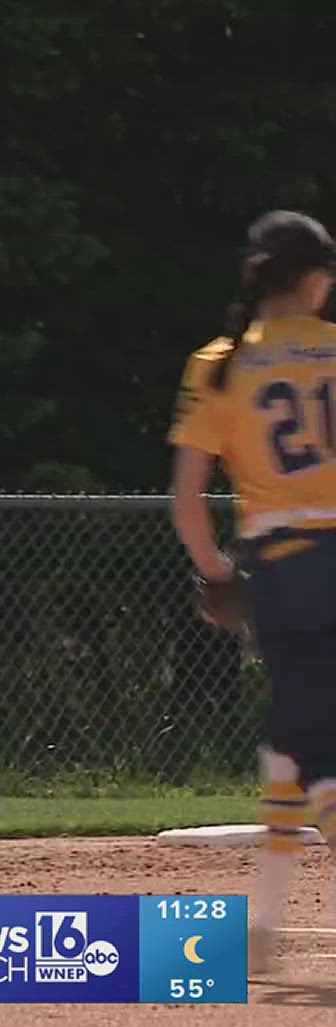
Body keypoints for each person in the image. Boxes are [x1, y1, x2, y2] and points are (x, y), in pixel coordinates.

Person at [168, 209, 336, 976]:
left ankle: (263, 933)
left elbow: (188, 498)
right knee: (299, 748)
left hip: (287, 570)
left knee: (304, 751)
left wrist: (217, 575)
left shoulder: (222, 362)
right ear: (313, 282)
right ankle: (263, 931)